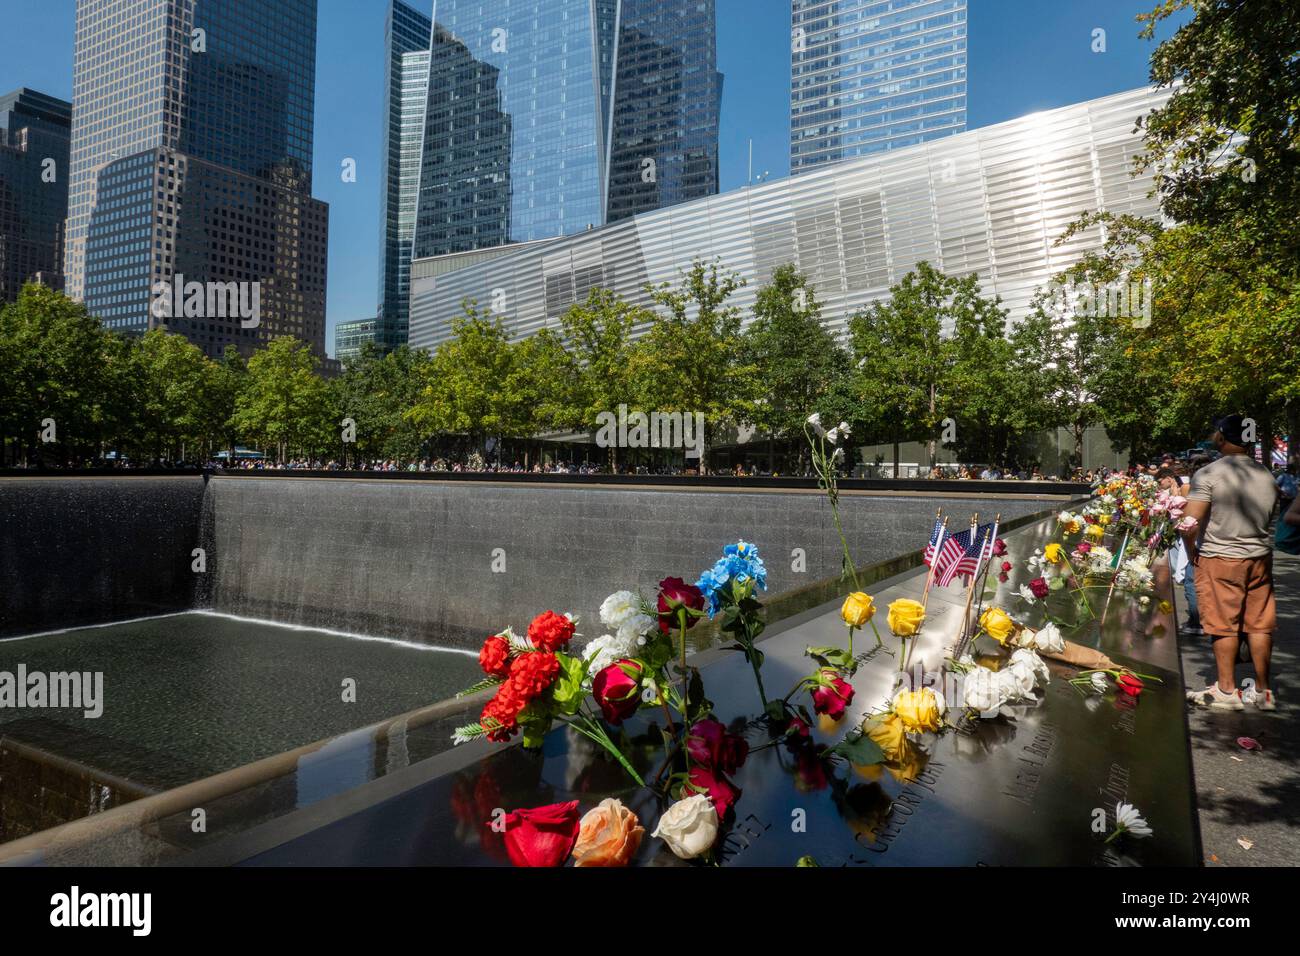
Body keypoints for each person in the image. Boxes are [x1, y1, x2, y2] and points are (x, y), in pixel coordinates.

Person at [1182, 415, 1279, 711]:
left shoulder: (1210, 473)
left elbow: (1189, 522)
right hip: (1259, 556)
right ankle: (1262, 693)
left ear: (1222, 437)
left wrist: (1191, 552)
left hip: (1220, 556)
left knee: (1223, 625)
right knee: (1260, 625)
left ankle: (1226, 689)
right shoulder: (1266, 474)